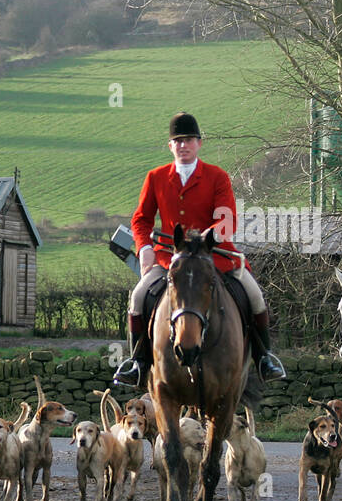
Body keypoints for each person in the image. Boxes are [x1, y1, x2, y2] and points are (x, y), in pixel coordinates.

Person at [112, 112, 287, 387]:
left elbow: (227, 219)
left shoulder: (217, 176)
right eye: (178, 141)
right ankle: (137, 362)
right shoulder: (155, 177)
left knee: (255, 295)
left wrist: (208, 237)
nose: (184, 145)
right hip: (170, 257)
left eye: (189, 140)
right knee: (137, 298)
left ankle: (265, 358)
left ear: (199, 143)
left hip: (215, 255)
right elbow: (141, 219)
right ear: (170, 146)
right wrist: (144, 246)